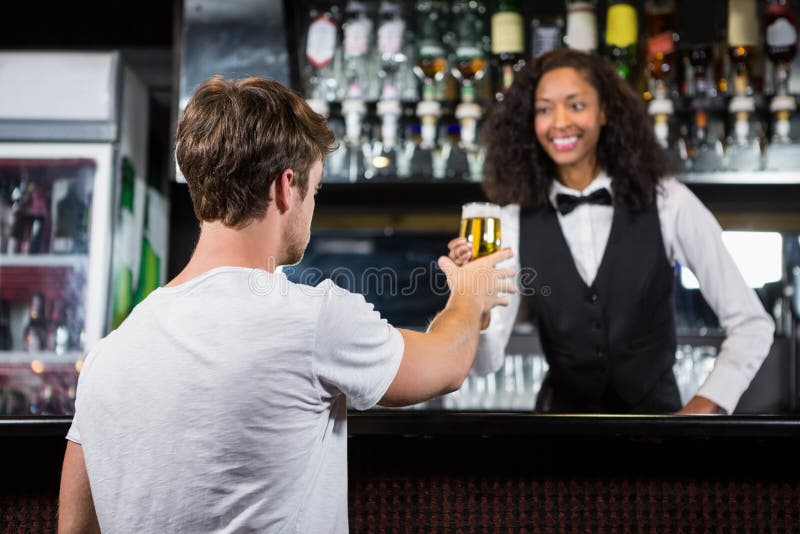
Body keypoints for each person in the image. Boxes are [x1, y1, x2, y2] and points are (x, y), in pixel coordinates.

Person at [58, 76, 515, 533]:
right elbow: (448, 364)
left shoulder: (106, 357)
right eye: (314, 191)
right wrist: (470, 293)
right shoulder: (313, 319)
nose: (312, 207)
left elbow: (75, 529)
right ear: (285, 187)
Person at [449, 48, 774, 415]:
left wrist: (707, 404)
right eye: (543, 109)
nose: (559, 122)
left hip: (660, 438)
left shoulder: (669, 201)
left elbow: (752, 323)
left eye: (575, 105)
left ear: (604, 111)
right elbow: (484, 363)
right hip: (559, 440)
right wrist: (472, 303)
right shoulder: (511, 220)